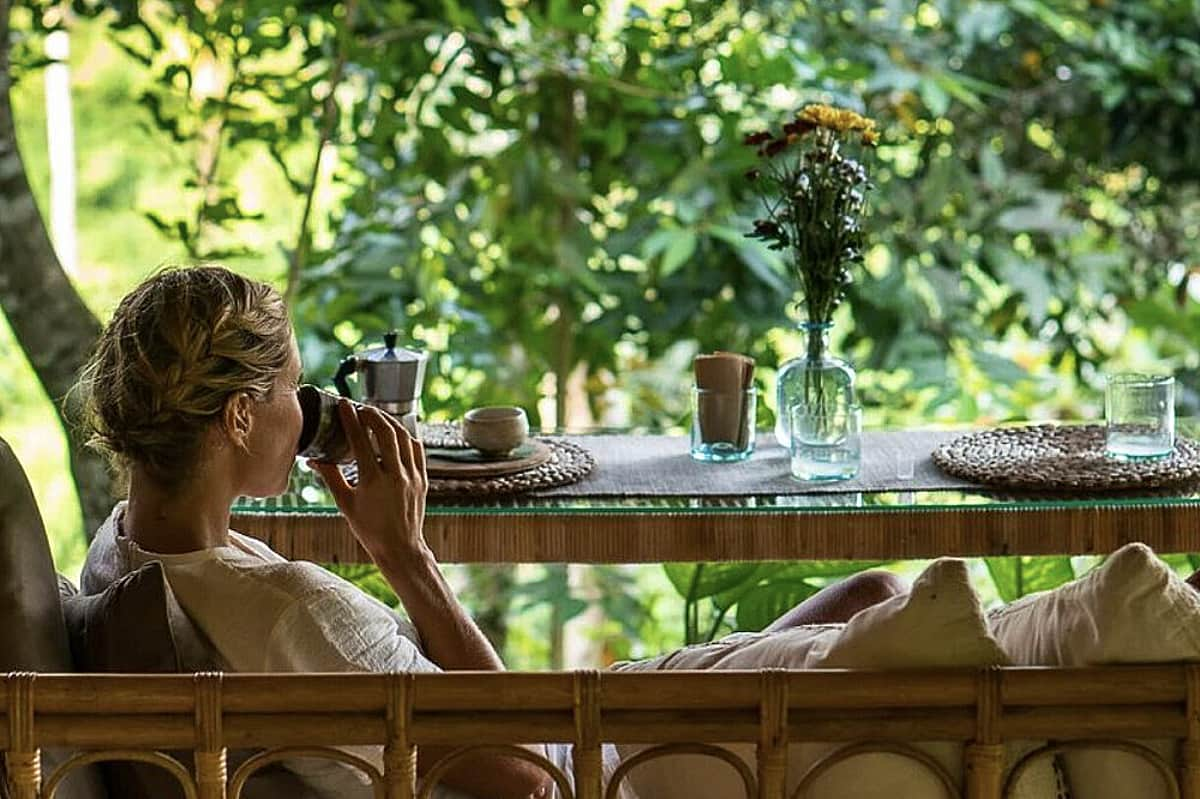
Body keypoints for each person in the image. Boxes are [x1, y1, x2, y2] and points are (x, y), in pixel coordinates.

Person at [75, 265, 905, 799]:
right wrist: (406, 554)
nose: (308, 408)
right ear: (242, 414)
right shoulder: (283, 610)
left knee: (872, 598)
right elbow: (524, 770)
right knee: (885, 619)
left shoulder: (123, 547)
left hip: (591, 725)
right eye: (294, 386)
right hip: (610, 769)